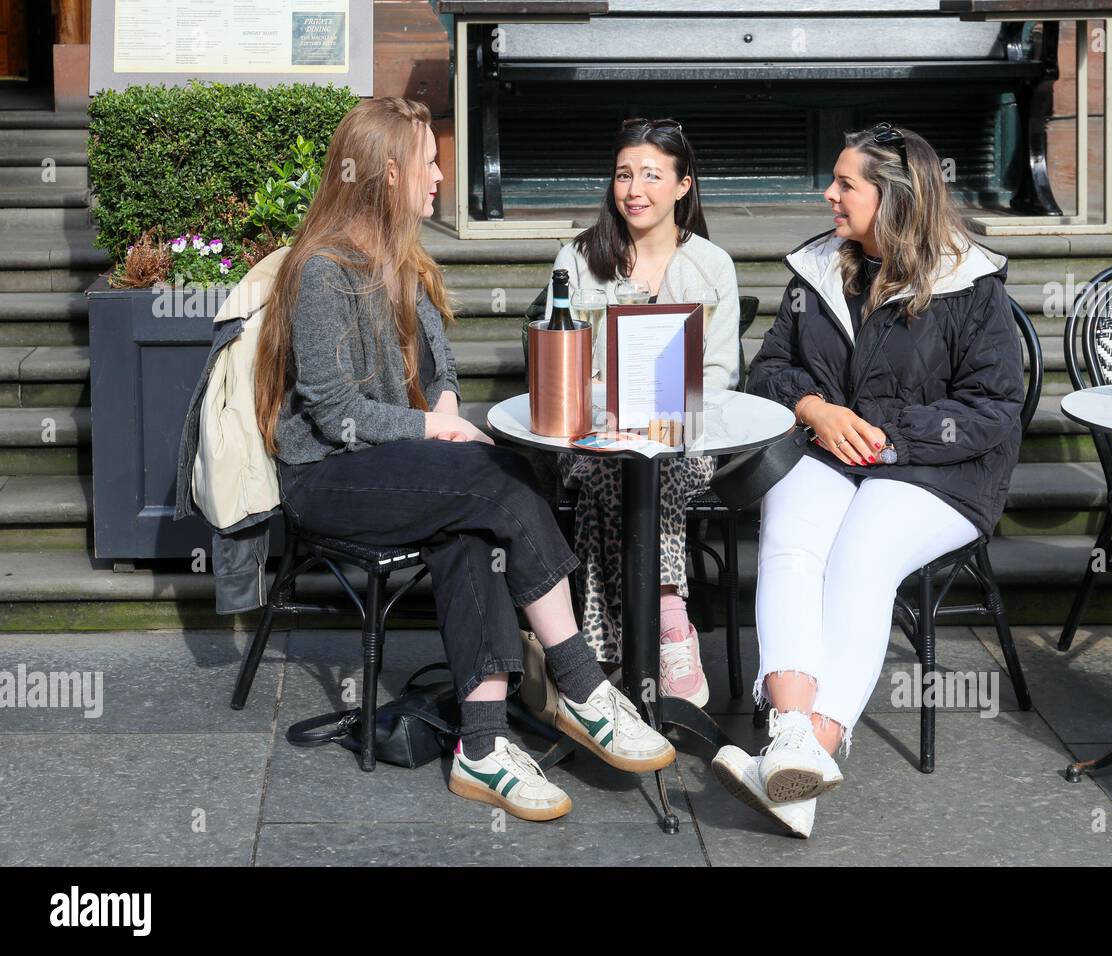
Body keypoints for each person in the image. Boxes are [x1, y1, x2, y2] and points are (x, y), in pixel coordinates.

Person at [253, 96, 675, 823]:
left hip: (393, 463)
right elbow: (334, 412)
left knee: (475, 526)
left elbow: (441, 367)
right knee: (498, 482)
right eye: (430, 160)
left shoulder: (403, 259)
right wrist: (433, 430)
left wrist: (443, 408)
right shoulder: (323, 271)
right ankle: (580, 684)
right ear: (389, 172)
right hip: (328, 477)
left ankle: (481, 747)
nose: (442, 175)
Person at [713, 124, 1025, 838]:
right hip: (829, 449)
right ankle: (791, 739)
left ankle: (809, 752)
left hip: (941, 471)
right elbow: (769, 368)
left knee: (859, 555)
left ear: (895, 196)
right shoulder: (819, 270)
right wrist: (818, 410)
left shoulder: (968, 283)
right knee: (790, 536)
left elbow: (993, 409)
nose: (829, 194)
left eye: (846, 183)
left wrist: (884, 437)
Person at [542, 118, 741, 707]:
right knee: (615, 461)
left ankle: (604, 656)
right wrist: (611, 405)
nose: (635, 189)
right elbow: (566, 366)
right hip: (595, 437)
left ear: (683, 185)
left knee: (653, 462)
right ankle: (669, 621)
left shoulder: (712, 265)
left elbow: (720, 375)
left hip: (686, 439)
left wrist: (663, 411)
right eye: (625, 174)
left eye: (653, 175)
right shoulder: (579, 259)